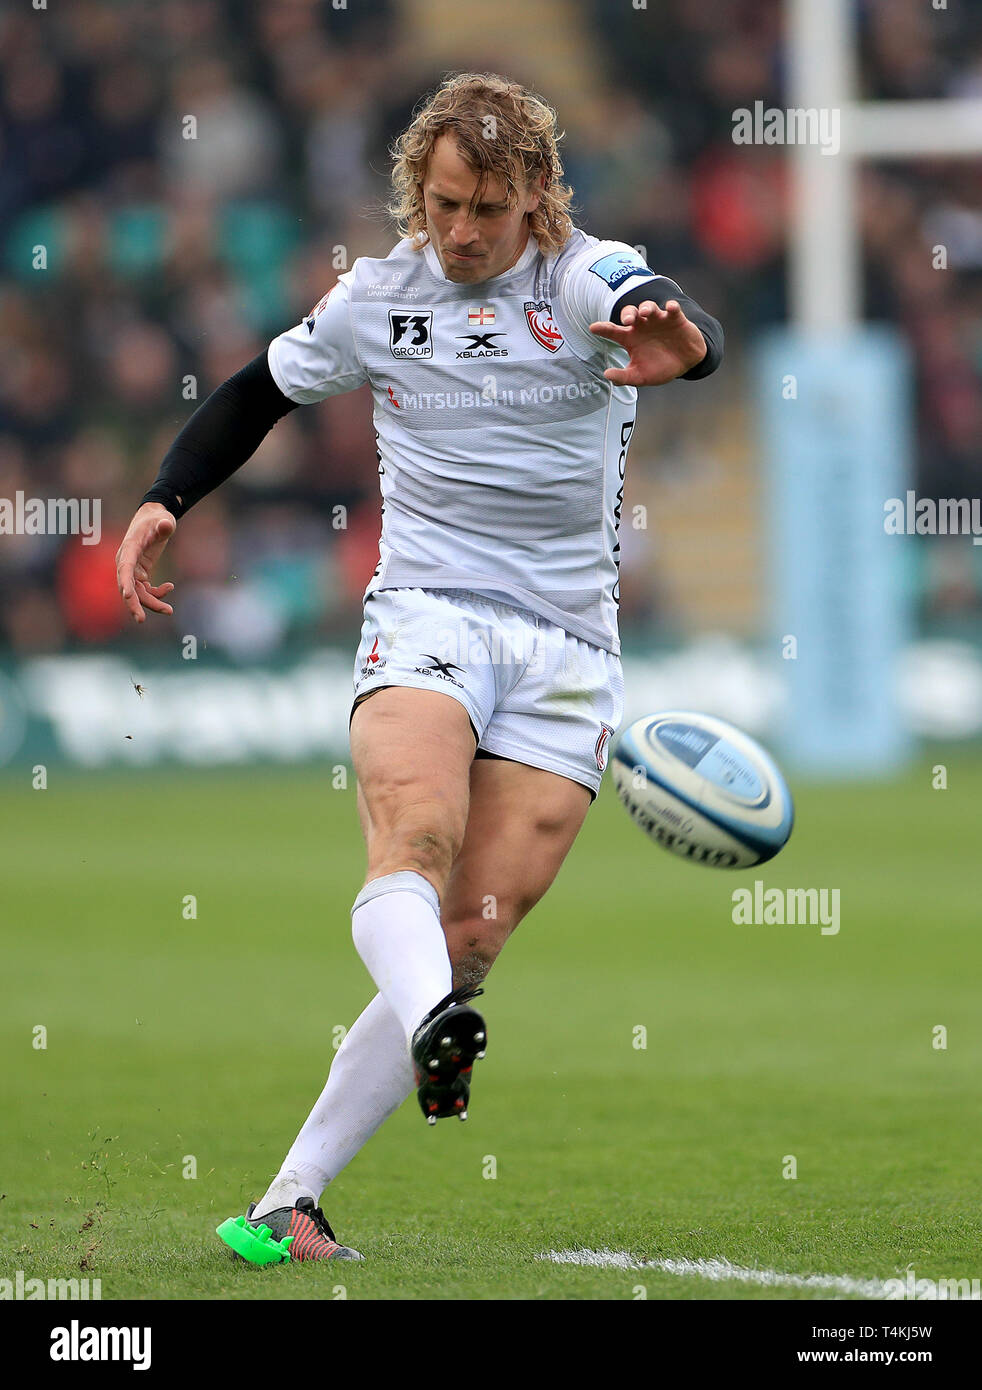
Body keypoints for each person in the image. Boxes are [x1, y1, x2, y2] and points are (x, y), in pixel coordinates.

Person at [115, 72, 723, 1264]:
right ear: (418, 191)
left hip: (568, 648)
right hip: (427, 610)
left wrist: (681, 342)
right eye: (442, 203)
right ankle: (436, 1016)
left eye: (486, 210)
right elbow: (253, 394)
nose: (459, 232)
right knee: (414, 839)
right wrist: (162, 499)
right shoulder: (377, 295)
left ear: (537, 198)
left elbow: (668, 312)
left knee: (475, 931)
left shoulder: (584, 276)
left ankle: (291, 1197)